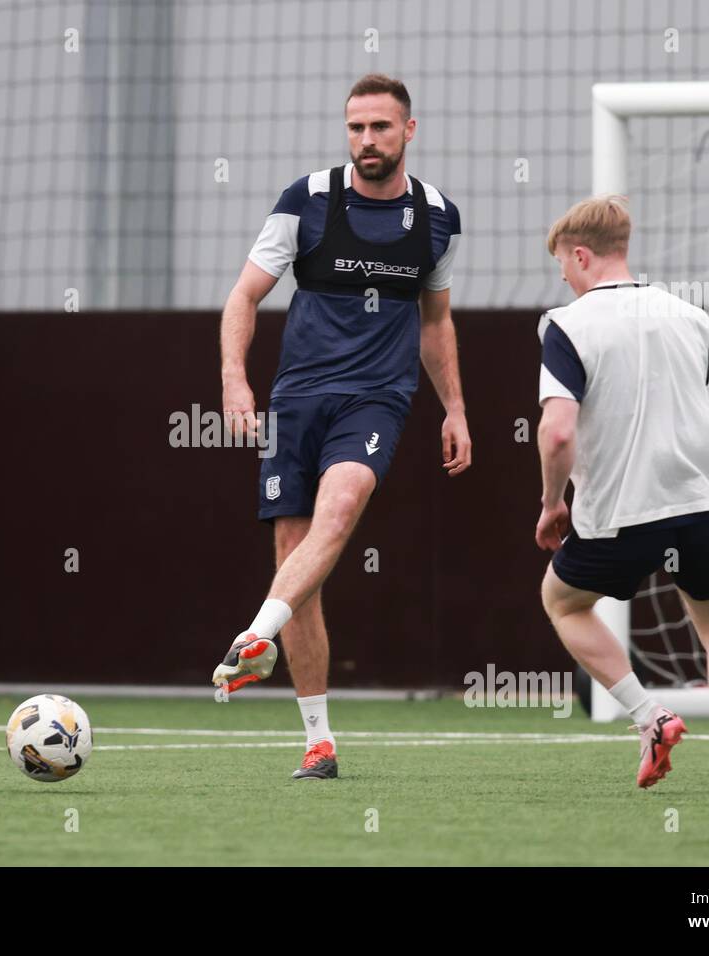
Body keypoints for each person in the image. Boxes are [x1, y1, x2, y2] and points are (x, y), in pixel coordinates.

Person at [211, 73, 469, 780]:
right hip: (297, 400)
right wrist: (236, 379)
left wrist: (456, 410)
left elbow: (436, 320)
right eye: (356, 127)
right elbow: (244, 294)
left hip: (377, 399)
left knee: (344, 506)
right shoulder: (307, 200)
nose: (367, 140)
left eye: (381, 127)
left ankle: (253, 637)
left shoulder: (438, 215)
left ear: (408, 131)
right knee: (299, 567)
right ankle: (318, 742)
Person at [535, 195, 709, 795]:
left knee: (563, 602)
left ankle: (650, 716)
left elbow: (559, 429)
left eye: (562, 263)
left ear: (582, 255)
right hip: (697, 500)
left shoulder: (567, 324)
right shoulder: (691, 317)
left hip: (622, 510)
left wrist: (551, 502)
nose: (563, 275)